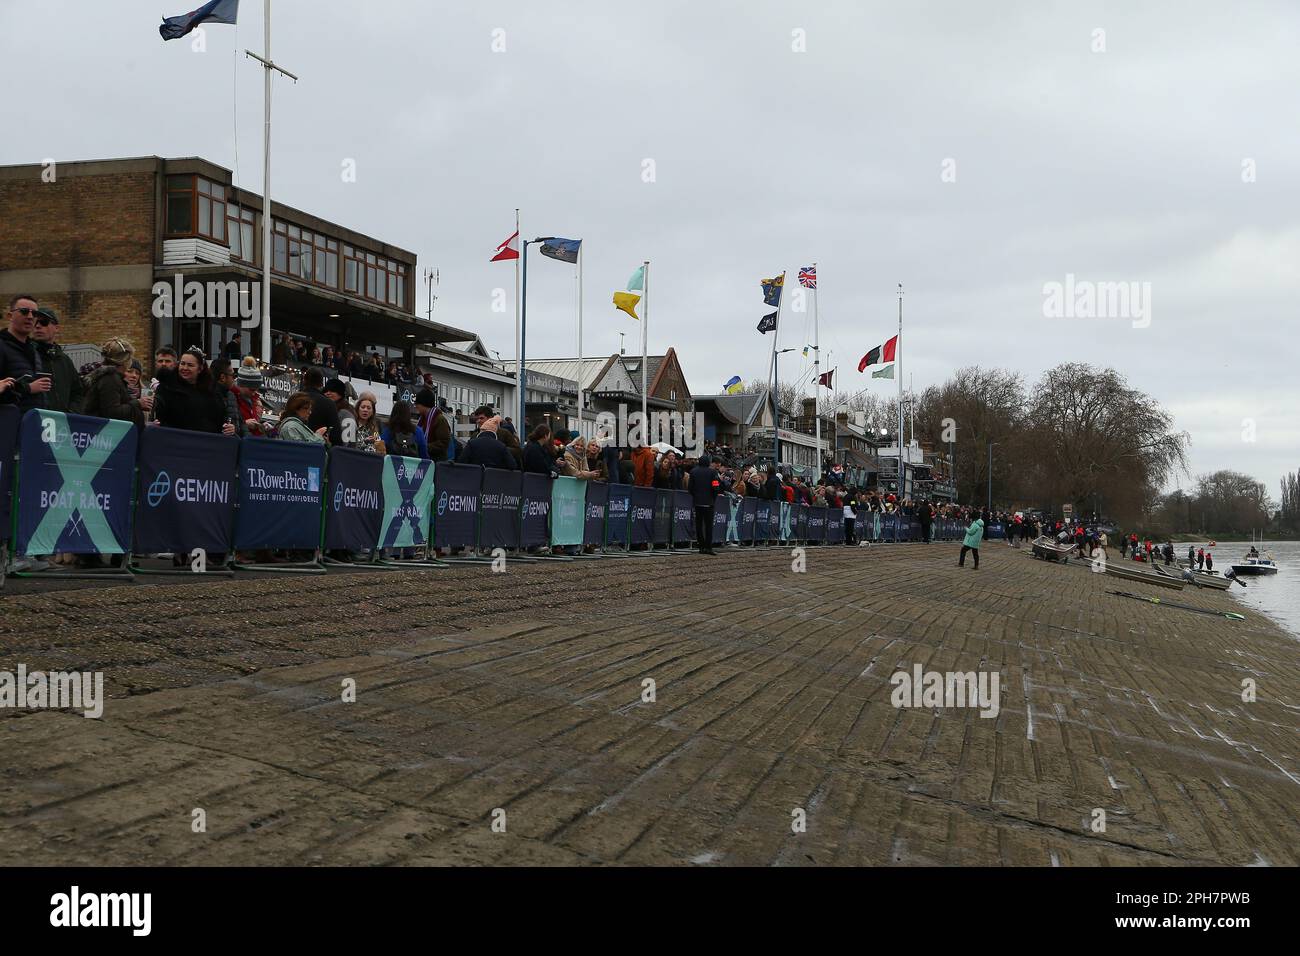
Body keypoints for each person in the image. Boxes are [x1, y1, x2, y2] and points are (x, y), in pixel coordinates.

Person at [154, 347, 231, 433]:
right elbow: (159, 417)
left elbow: (221, 417)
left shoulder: (212, 390)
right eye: (182, 364)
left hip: (206, 441)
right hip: (175, 440)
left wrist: (228, 427)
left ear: (200, 368)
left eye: (190, 365)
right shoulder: (166, 387)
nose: (185, 368)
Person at [81, 337, 150, 430]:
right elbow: (112, 412)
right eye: (129, 358)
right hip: (105, 436)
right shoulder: (110, 379)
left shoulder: (112, 377)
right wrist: (138, 403)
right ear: (124, 360)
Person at [0, 294, 53, 412]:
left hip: (33, 424)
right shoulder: (2, 346)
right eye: (24, 312)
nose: (30, 317)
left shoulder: (34, 350)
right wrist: (28, 388)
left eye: (34, 313)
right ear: (10, 316)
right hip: (9, 424)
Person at [32, 308, 84, 413]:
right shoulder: (28, 356)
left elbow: (78, 392)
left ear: (56, 328)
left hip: (61, 424)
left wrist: (71, 412)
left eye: (44, 322)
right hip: (35, 422)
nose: (37, 326)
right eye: (34, 322)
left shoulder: (64, 360)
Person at [686, 453, 721, 555]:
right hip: (709, 503)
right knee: (709, 526)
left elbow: (690, 488)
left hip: (697, 503)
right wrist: (713, 498)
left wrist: (695, 496)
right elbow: (715, 486)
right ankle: (708, 547)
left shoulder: (693, 472)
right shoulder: (713, 472)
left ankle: (701, 547)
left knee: (699, 525)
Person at [300, 367, 341, 445]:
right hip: (318, 450)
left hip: (294, 448)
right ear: (322, 383)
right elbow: (336, 436)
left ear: (304, 381)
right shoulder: (328, 403)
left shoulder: (294, 399)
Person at [413, 388, 451, 460]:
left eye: (417, 403)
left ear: (424, 403)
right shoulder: (422, 419)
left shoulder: (440, 420)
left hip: (436, 461)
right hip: (425, 460)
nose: (415, 406)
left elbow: (443, 443)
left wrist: (423, 446)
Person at [209, 359, 245, 436]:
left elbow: (242, 424)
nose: (234, 379)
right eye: (233, 375)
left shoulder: (231, 395)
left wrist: (235, 429)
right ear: (222, 377)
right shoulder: (208, 396)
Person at [234, 360, 267, 436]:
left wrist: (261, 426)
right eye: (252, 389)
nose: (254, 392)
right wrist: (245, 424)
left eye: (256, 389)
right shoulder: (232, 397)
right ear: (242, 385)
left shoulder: (253, 399)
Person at [324, 378, 356, 445]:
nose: (328, 393)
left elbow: (346, 442)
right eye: (326, 391)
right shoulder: (329, 408)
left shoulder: (346, 412)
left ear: (340, 394)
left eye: (332, 391)